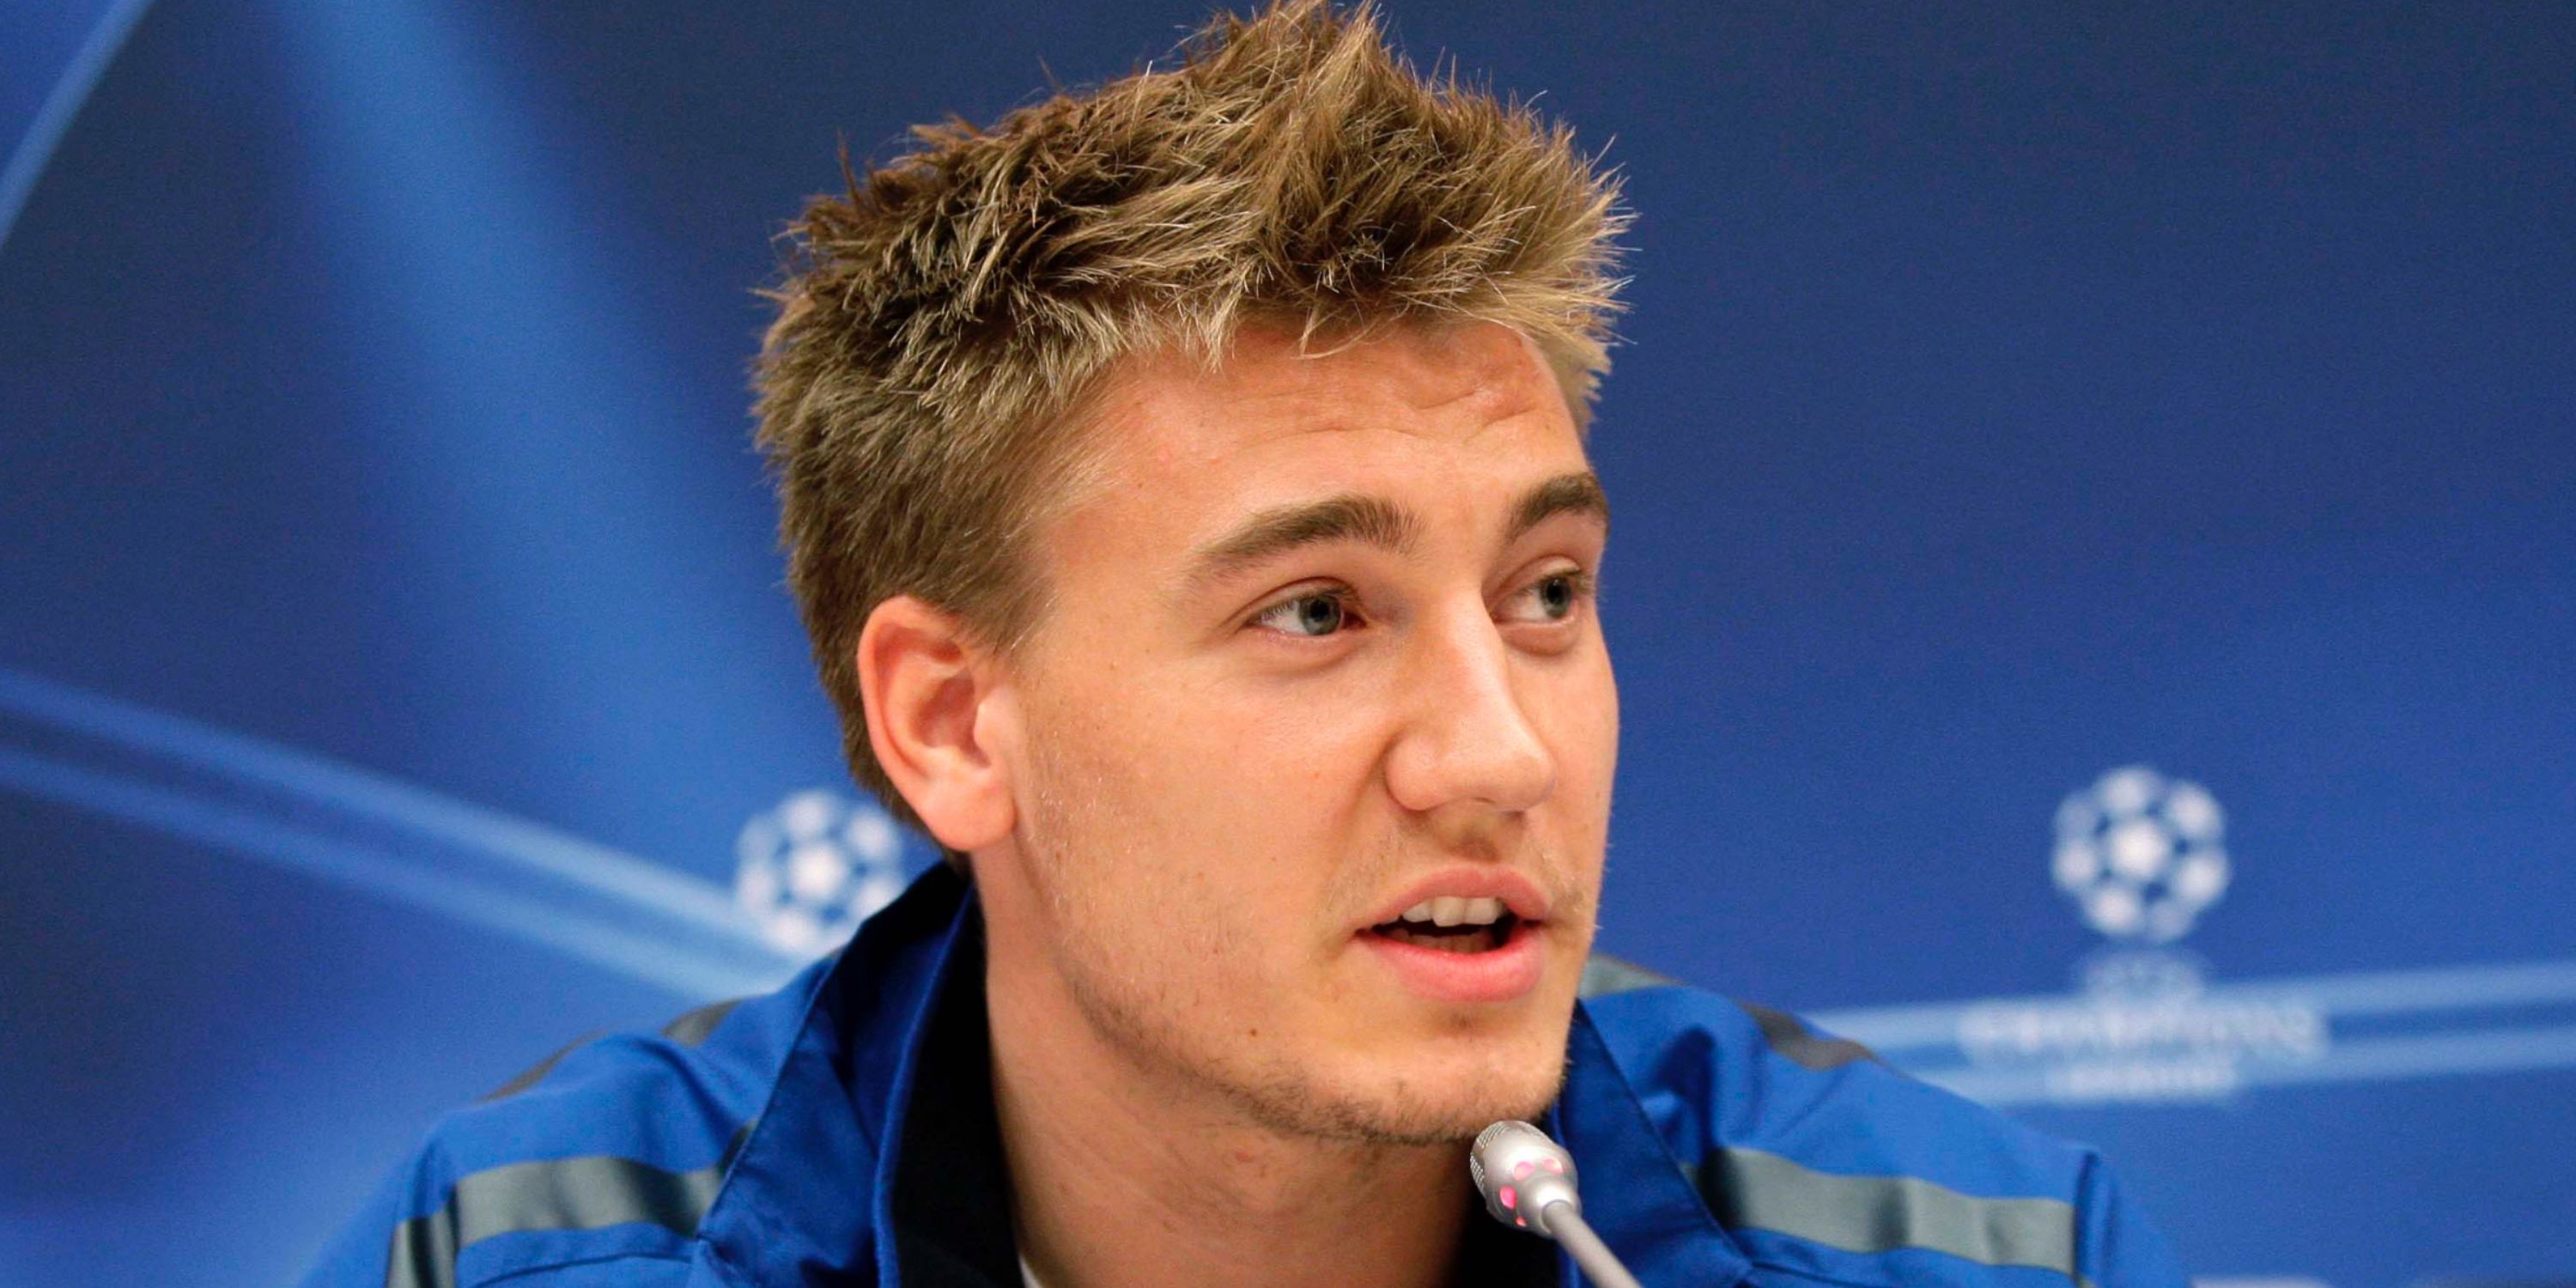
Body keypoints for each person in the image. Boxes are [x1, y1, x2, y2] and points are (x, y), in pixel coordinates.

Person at [304, 3, 2186, 1285]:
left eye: (1544, 594)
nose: (1500, 753)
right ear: (953, 724)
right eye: (1316, 612)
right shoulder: (523, 1253)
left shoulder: (1976, 1250)